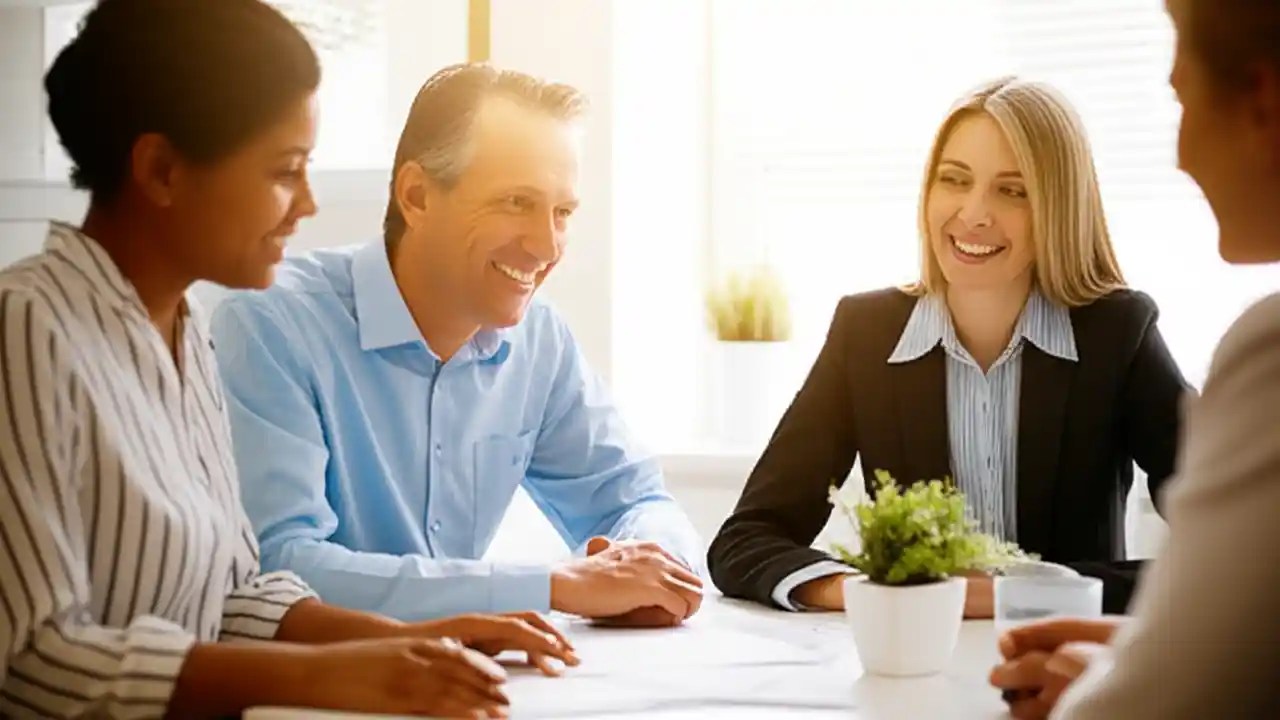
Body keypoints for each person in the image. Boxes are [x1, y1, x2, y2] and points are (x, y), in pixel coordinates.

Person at [0, 2, 578, 717]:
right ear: (161, 169)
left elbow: (238, 592)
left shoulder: (180, 332)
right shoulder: (25, 328)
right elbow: (31, 660)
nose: (306, 204)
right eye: (284, 171)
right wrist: (325, 677)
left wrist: (419, 641)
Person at [209, 63, 704, 628]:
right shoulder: (269, 327)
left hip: (460, 687)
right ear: (416, 196)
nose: (546, 246)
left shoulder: (539, 340)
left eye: (562, 212)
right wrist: (553, 586)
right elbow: (281, 569)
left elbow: (638, 500)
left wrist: (650, 570)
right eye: (516, 202)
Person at [707, 77, 1191, 618]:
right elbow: (744, 541)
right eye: (954, 180)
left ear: (1058, 207)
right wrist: (872, 594)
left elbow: (1236, 540)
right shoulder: (866, 333)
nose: (973, 213)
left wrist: (1004, 596)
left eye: (1012, 190)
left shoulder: (1117, 333)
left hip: (1062, 674)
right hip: (914, 664)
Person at [989, 1, 1280, 718]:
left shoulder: (1263, 353)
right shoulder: (866, 328)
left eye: (1183, 97)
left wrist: (1129, 680)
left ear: (1265, 105)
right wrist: (1158, 651)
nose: (1180, 155)